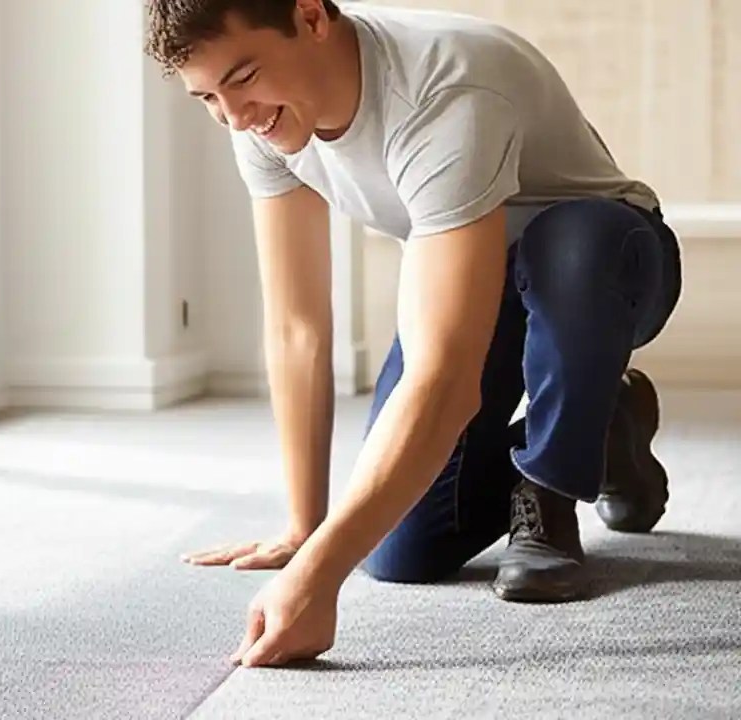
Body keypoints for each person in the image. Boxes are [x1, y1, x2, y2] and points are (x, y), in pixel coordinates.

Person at [144, 0, 682, 668]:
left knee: (568, 243)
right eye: (208, 98)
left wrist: (319, 578)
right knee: (401, 547)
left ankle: (550, 490)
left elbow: (445, 378)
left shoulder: (444, 87)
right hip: (482, 285)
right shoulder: (256, 120)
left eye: (244, 77)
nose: (235, 115)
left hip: (609, 267)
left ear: (310, 16)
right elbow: (297, 330)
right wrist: (307, 531)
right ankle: (605, 428)